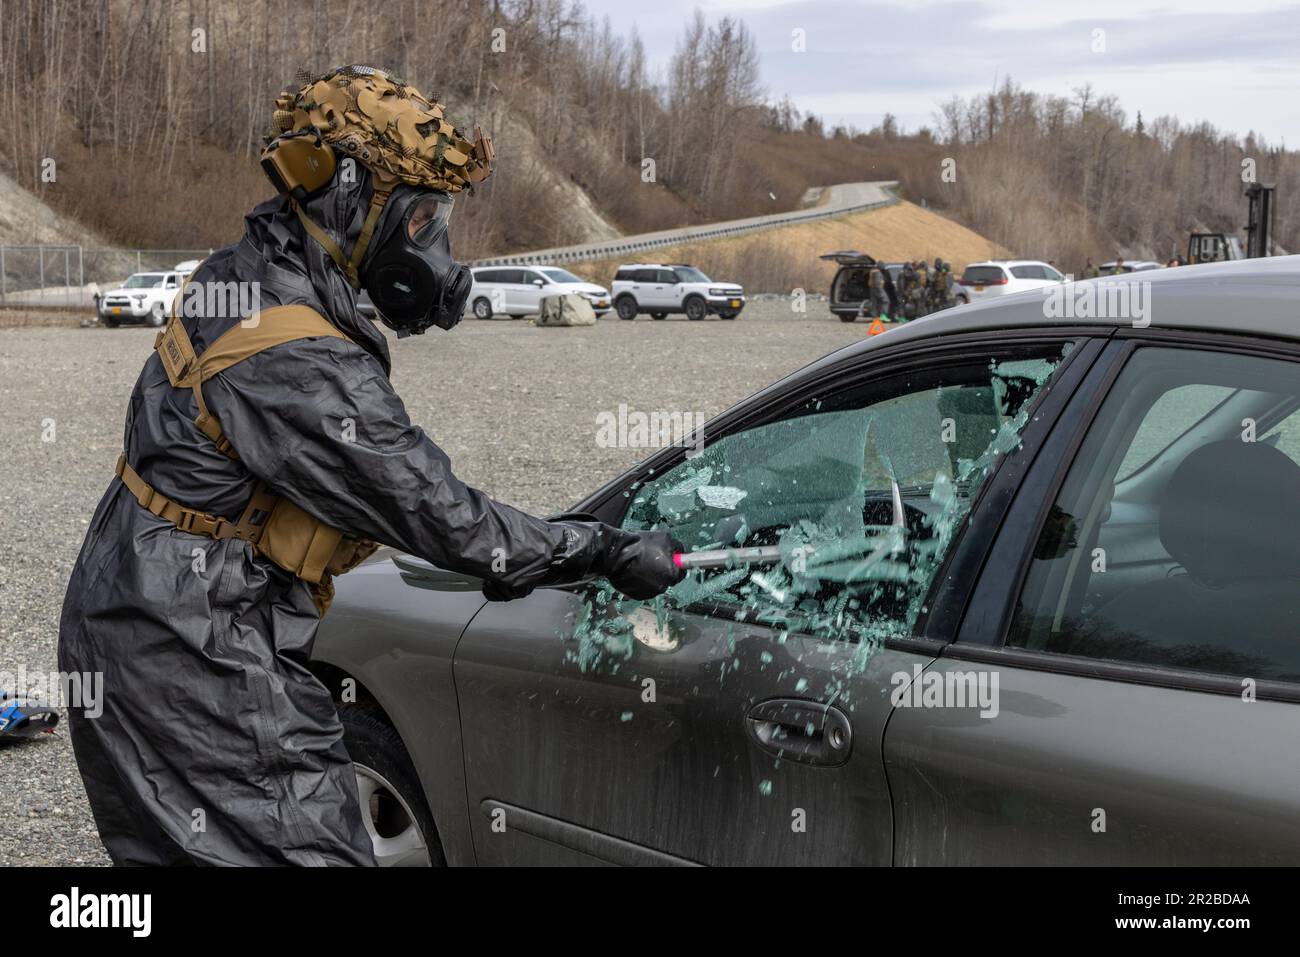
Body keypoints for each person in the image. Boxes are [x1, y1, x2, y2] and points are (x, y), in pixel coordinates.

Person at [57, 65, 684, 867]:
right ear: (345, 191)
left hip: (138, 603)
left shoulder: (244, 271)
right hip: (188, 640)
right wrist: (594, 548)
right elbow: (439, 512)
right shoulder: (300, 356)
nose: (431, 248)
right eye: (421, 219)